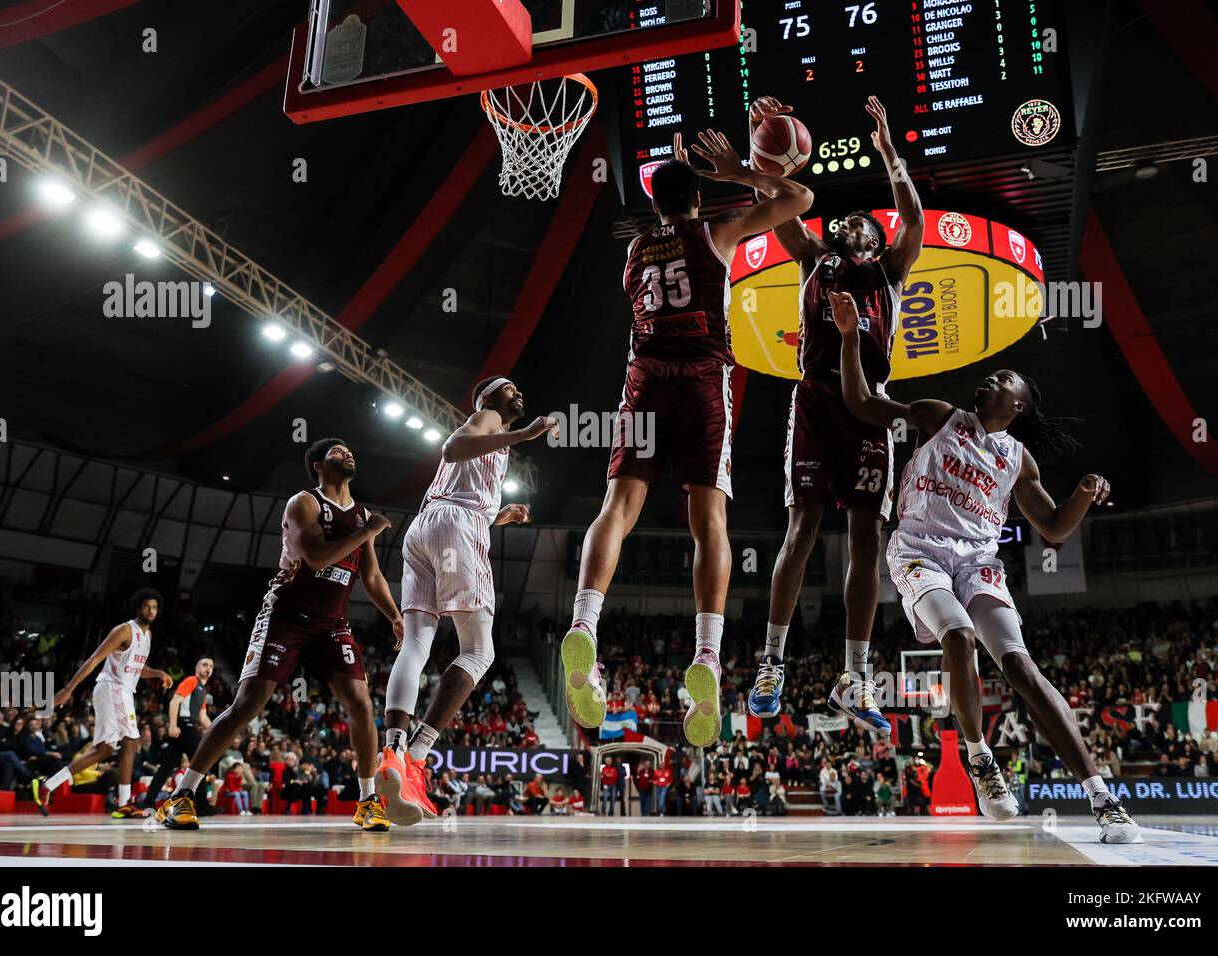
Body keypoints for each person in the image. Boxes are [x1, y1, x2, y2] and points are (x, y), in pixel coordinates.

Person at [830, 288, 1142, 844]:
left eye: (1004, 379)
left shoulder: (1018, 458)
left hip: (978, 562)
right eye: (993, 376)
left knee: (1022, 669)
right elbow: (860, 403)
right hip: (920, 551)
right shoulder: (939, 416)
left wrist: (1085, 491)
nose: (993, 380)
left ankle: (1103, 796)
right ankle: (980, 759)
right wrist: (852, 336)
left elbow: (1052, 527)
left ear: (1017, 405)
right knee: (958, 636)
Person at [561, 126, 814, 747]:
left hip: (645, 374)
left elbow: (665, 236)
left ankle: (585, 626)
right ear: (698, 201)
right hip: (701, 376)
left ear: (654, 205)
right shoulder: (715, 233)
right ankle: (705, 654)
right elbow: (799, 200)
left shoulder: (637, 250)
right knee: (709, 521)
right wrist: (740, 173)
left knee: (617, 509)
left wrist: (685, 192)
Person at [747, 95, 924, 732]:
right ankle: (772, 661)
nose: (852, 224)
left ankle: (855, 675)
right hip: (817, 396)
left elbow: (911, 217)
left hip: (870, 405)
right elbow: (776, 201)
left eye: (862, 224)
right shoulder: (813, 260)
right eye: (845, 221)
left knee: (866, 537)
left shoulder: (891, 270)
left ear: (875, 243)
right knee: (801, 529)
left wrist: (888, 150)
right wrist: (759, 148)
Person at [158, 439, 404, 833]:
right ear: (318, 465)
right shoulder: (303, 503)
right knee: (248, 703)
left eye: (349, 450)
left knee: (360, 703)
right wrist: (369, 531)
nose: (348, 454)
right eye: (338, 452)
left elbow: (371, 575)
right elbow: (318, 557)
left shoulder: (361, 515)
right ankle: (183, 794)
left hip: (331, 622)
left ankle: (367, 799)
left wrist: (395, 615)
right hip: (286, 613)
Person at [378, 377, 555, 826]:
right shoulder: (487, 419)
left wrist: (500, 516)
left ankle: (393, 751)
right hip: (456, 526)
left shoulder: (490, 433)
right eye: (508, 388)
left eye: (519, 388)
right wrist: (524, 433)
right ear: (486, 399)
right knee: (479, 650)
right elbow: (452, 448)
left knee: (417, 642)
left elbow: (457, 496)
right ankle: (417, 755)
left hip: (423, 529)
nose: (518, 393)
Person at [33, 589, 173, 819]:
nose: (151, 611)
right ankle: (125, 803)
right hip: (113, 688)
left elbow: (135, 669)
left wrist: (157, 673)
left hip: (120, 689)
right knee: (131, 740)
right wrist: (69, 689)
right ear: (137, 608)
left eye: (155, 607)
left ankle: (48, 785)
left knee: (105, 750)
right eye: (147, 606)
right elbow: (96, 658)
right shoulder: (124, 630)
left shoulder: (147, 636)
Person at [144, 657, 214, 808]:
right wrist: (173, 725)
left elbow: (203, 716)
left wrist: (216, 729)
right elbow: (174, 701)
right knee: (200, 764)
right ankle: (202, 804)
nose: (208, 668)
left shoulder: (202, 690)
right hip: (185, 726)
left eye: (210, 666)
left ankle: (148, 801)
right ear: (197, 668)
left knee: (166, 768)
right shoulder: (191, 681)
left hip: (188, 727)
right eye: (204, 664)